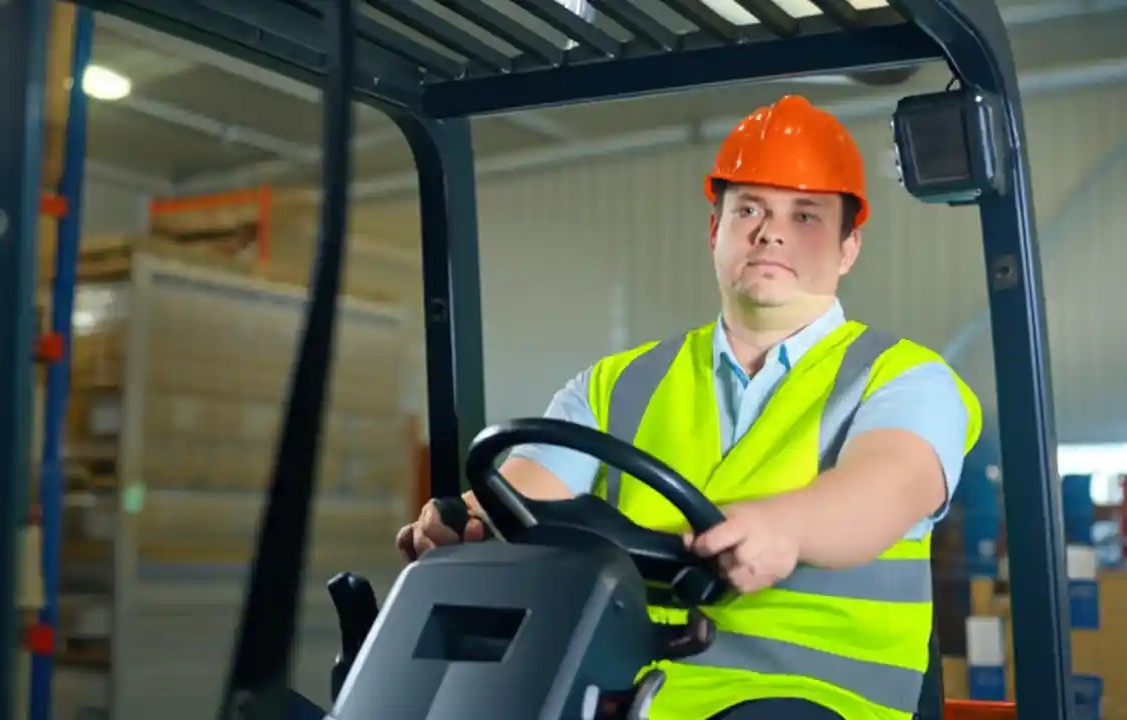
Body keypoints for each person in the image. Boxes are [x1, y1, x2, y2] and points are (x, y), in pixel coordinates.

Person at [397, 95, 983, 720]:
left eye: (806, 215)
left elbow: (887, 485)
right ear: (714, 231)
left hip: (814, 700)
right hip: (617, 690)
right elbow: (523, 495)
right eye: (749, 209)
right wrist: (468, 521)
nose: (772, 231)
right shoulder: (616, 383)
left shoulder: (905, 376)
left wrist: (787, 528)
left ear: (848, 248)